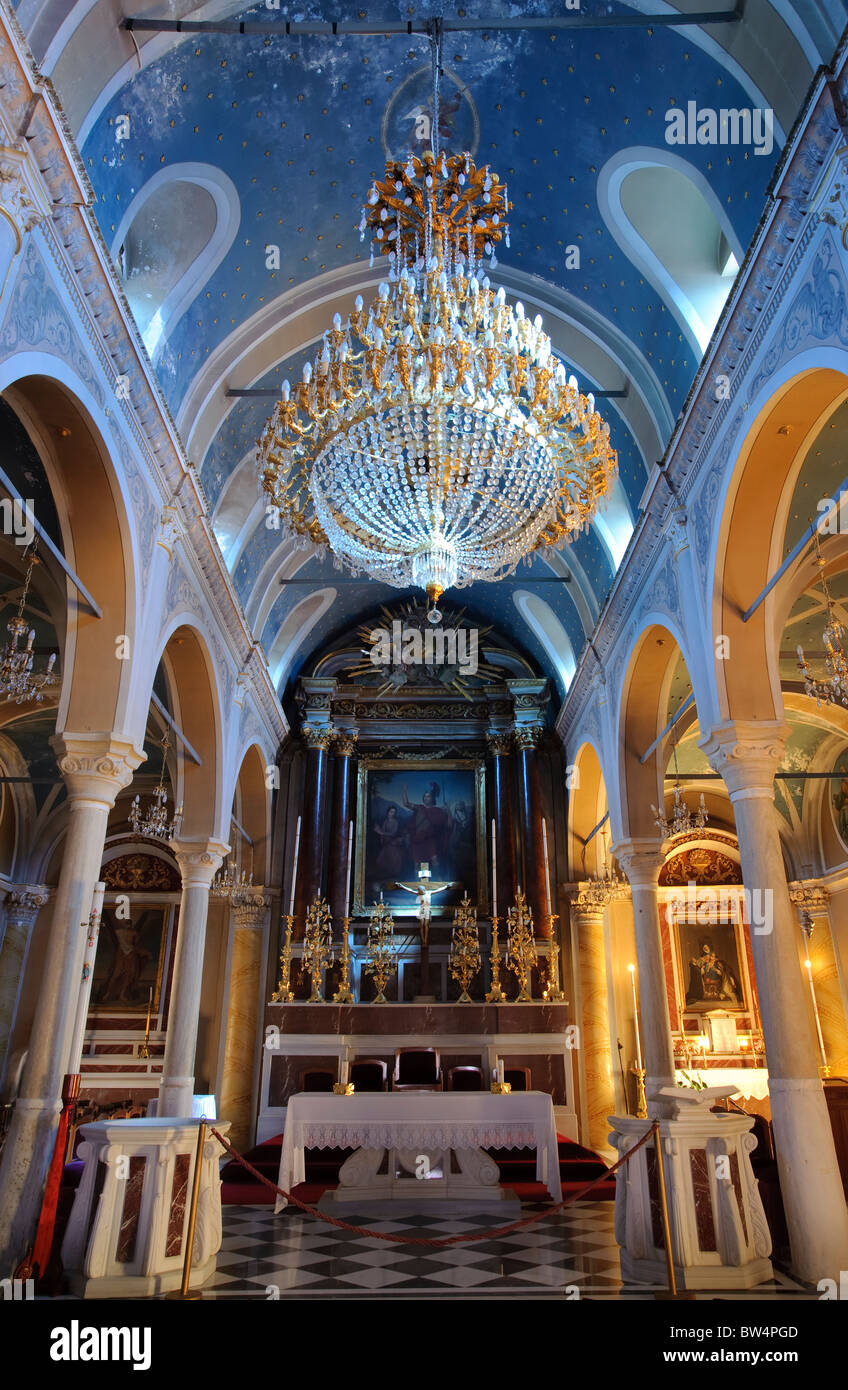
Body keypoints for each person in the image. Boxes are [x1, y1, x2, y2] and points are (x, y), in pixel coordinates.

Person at [402, 781, 452, 873]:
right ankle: (417, 882)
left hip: (430, 840)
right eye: (425, 796)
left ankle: (436, 880)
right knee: (417, 864)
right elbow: (406, 803)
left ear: (432, 798)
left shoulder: (438, 810)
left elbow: (448, 825)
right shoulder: (419, 808)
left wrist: (448, 811)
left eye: (428, 796)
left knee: (435, 860)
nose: (426, 798)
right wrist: (404, 791)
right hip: (418, 839)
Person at [686, 940, 740, 1006]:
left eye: (712, 956)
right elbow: (702, 968)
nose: (710, 957)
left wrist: (715, 969)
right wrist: (706, 967)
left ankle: (717, 992)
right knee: (707, 979)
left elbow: (721, 971)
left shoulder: (716, 963)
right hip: (708, 975)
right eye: (710, 956)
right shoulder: (704, 961)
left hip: (715, 975)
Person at [374, 803, 404, 879]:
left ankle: (393, 875)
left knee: (393, 857)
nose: (392, 813)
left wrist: (381, 832)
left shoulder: (395, 822)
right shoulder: (385, 821)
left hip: (392, 842)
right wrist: (380, 834)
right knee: (382, 859)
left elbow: (393, 833)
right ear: (388, 812)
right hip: (386, 843)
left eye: (394, 812)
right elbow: (382, 832)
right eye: (391, 811)